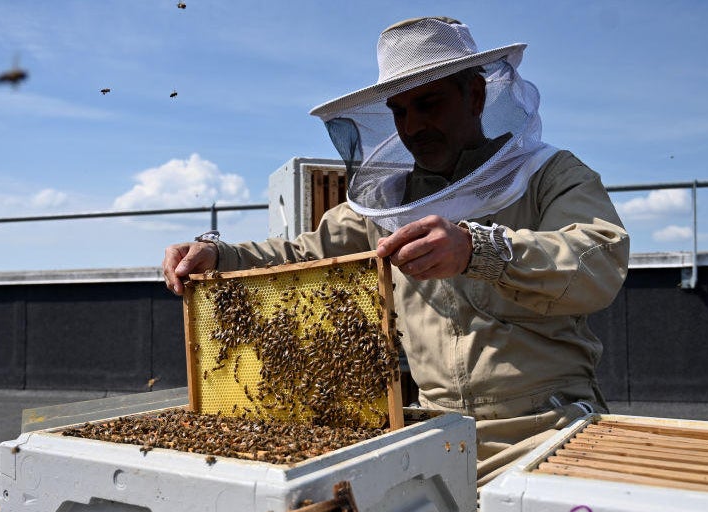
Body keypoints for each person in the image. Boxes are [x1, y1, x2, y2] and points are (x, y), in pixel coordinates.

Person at [162, 16, 629, 487]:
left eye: (429, 104)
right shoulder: (386, 204)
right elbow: (303, 253)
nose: (413, 126)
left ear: (476, 96)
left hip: (546, 425)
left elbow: (597, 259)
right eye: (400, 112)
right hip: (436, 431)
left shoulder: (549, 173)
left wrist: (479, 250)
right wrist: (219, 256)